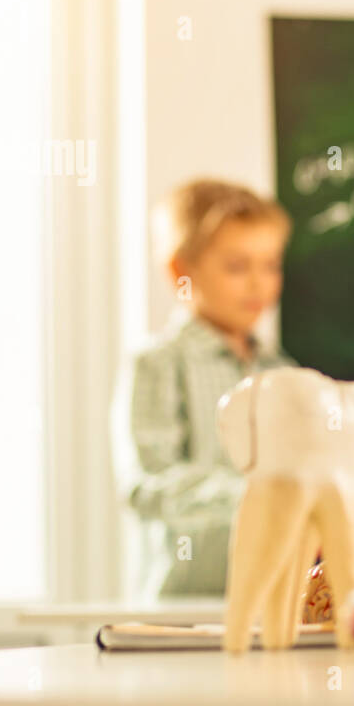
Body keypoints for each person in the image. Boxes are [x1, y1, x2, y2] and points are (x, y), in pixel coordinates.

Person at [112, 178, 295, 597]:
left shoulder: (283, 372)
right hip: (182, 606)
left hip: (275, 599)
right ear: (182, 272)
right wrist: (256, 496)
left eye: (270, 265)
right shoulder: (157, 365)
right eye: (236, 267)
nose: (258, 284)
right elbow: (145, 483)